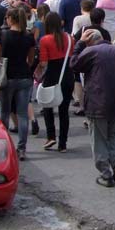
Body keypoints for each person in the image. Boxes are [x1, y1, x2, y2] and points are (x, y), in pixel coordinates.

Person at [70, 29, 115, 187]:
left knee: (98, 138)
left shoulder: (92, 51)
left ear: (90, 41)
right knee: (112, 134)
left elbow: (74, 64)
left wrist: (80, 44)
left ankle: (105, 173)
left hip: (98, 103)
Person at [0, 7, 36, 160]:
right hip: (24, 76)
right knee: (22, 114)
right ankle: (21, 148)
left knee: (4, 112)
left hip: (7, 77)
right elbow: (30, 60)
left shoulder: (2, 35)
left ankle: (4, 145)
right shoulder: (29, 37)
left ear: (10, 18)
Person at [37, 12, 75, 152]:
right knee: (64, 110)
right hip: (67, 76)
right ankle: (63, 143)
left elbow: (44, 62)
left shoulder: (45, 40)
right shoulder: (70, 38)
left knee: (47, 106)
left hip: (52, 76)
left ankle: (51, 136)